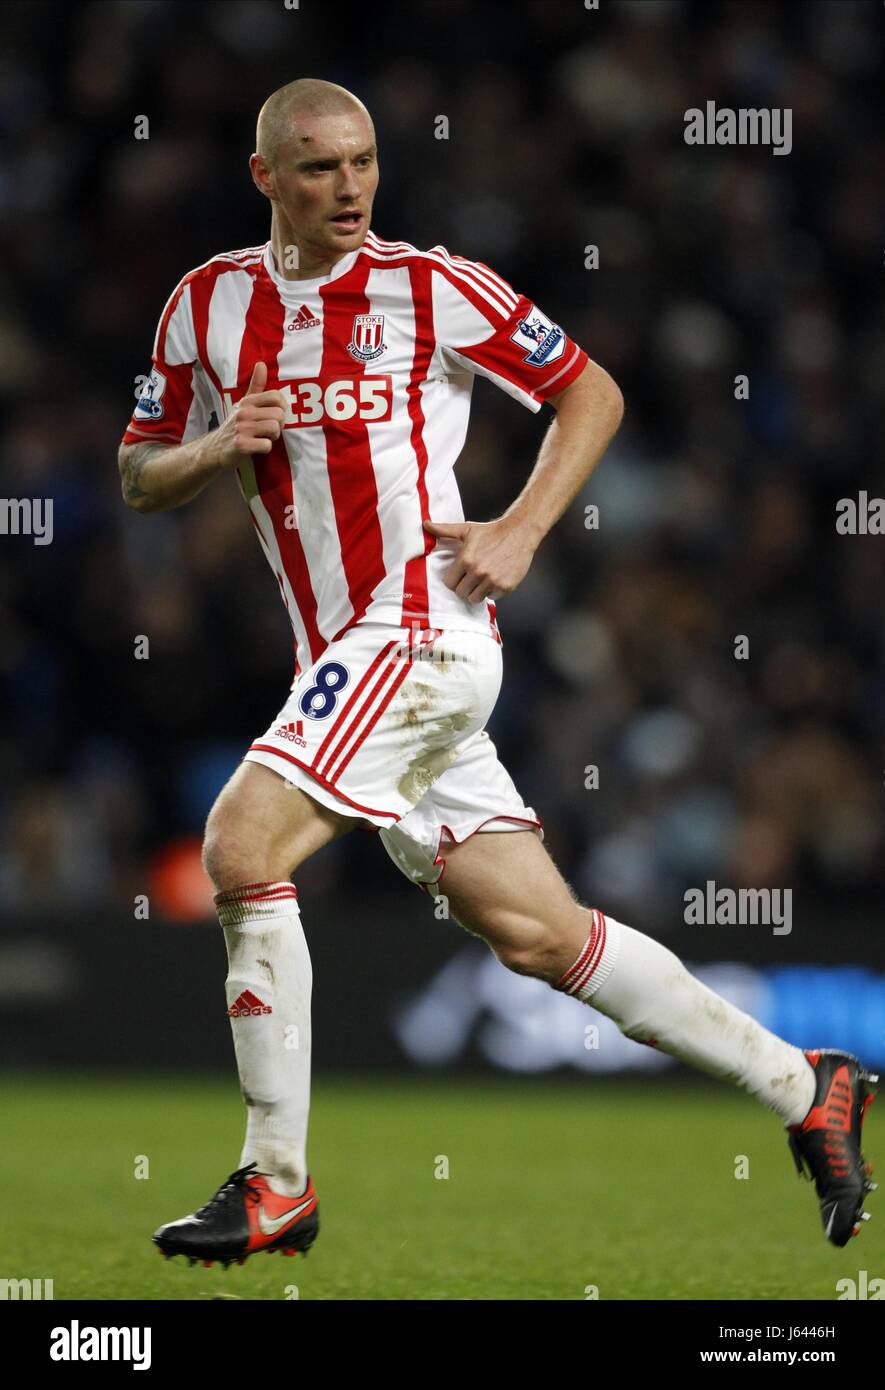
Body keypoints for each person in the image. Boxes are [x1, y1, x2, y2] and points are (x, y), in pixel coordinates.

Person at [118, 79, 876, 1269]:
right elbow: (138, 472)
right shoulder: (205, 305)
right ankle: (807, 1083)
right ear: (265, 175)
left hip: (421, 628)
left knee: (240, 847)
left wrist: (521, 526)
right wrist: (216, 446)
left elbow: (593, 389)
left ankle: (277, 1183)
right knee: (538, 933)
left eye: (365, 162)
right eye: (319, 168)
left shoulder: (432, 285)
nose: (351, 187)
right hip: (350, 662)